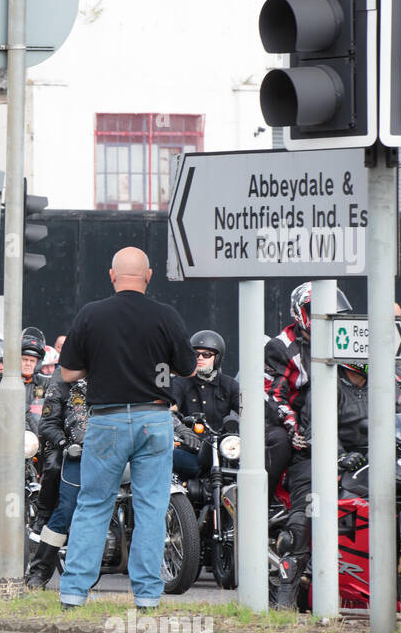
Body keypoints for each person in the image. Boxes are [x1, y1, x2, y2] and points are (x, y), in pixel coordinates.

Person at [55, 247, 195, 609]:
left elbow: (68, 373)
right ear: (148, 276)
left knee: (93, 505)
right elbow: (189, 368)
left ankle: (73, 594)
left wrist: (102, 366)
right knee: (151, 507)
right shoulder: (166, 316)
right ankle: (147, 597)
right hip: (155, 419)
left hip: (107, 420)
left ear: (112, 275)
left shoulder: (91, 315)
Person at [274, 359, 370, 607]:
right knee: (307, 512)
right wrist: (339, 456)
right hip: (316, 458)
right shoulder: (327, 385)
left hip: (368, 460)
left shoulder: (386, 387)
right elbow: (315, 430)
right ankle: (286, 594)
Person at [264, 282, 350, 499]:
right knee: (280, 444)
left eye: (331, 312)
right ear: (301, 313)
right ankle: (261, 504)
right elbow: (274, 395)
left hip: (332, 413)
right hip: (285, 418)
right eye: (318, 311)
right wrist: (293, 428)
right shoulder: (281, 347)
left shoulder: (346, 341)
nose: (326, 318)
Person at [25, 373, 89, 590]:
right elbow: (48, 424)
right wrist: (64, 443)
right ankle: (40, 571)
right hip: (74, 452)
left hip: (109, 451)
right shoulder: (61, 383)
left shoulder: (113, 378)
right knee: (65, 508)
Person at [170, 330, 240, 478]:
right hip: (190, 451)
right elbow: (168, 410)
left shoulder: (229, 384)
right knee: (170, 458)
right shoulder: (181, 382)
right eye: (196, 354)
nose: (200, 358)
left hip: (224, 451)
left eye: (206, 355)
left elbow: (249, 411)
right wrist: (181, 428)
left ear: (217, 358)